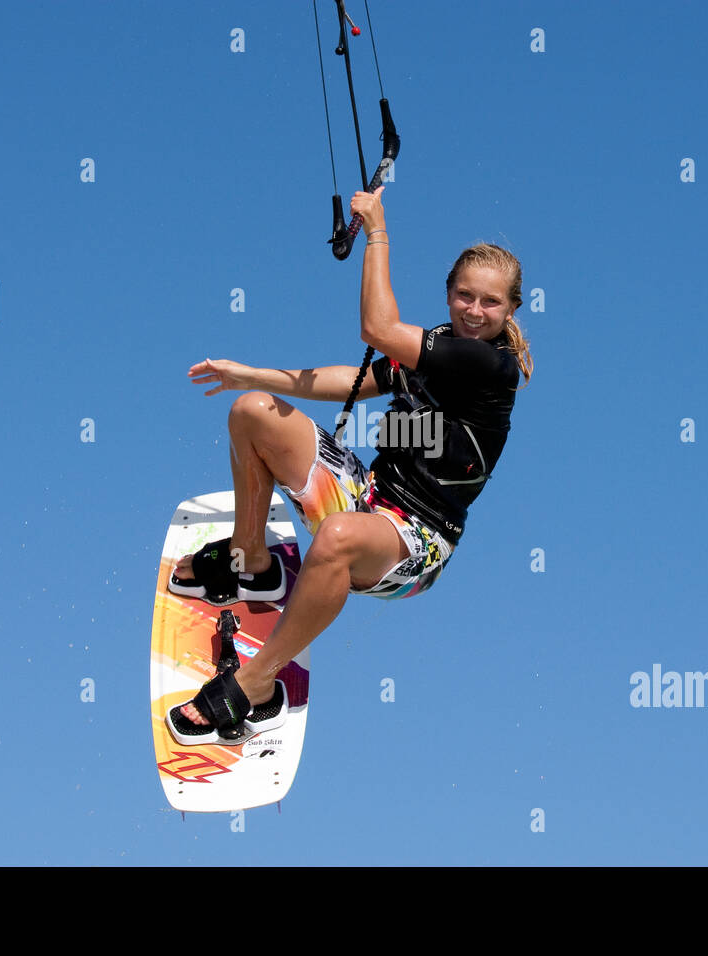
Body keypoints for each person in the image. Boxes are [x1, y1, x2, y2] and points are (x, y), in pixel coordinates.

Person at [167, 185, 532, 741]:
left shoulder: (491, 367)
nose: (475, 311)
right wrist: (253, 376)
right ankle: (251, 559)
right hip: (366, 493)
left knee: (336, 536)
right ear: (449, 293)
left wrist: (377, 232)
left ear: (510, 310)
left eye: (490, 302)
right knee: (251, 413)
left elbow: (377, 330)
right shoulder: (431, 343)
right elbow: (353, 379)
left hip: (416, 542)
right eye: (465, 296)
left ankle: (257, 683)